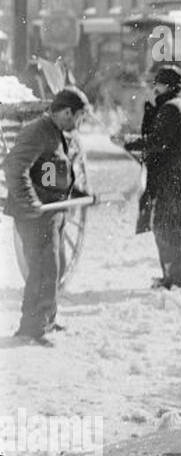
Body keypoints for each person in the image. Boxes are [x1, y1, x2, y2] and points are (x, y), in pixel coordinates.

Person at [3, 88, 91, 344]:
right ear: (66, 112)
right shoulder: (37, 132)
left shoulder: (56, 134)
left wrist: (80, 193)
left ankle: (47, 319)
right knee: (42, 270)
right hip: (35, 216)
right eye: (79, 117)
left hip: (53, 213)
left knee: (54, 267)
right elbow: (13, 168)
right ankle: (31, 329)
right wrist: (30, 201)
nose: (80, 123)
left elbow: (52, 175)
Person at [125, 65, 181, 289]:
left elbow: (158, 142)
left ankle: (174, 279)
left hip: (169, 177)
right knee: (168, 226)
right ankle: (172, 276)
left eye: (156, 83)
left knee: (166, 227)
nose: (153, 87)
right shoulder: (178, 106)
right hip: (175, 176)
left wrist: (130, 142)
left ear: (165, 85)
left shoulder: (170, 109)